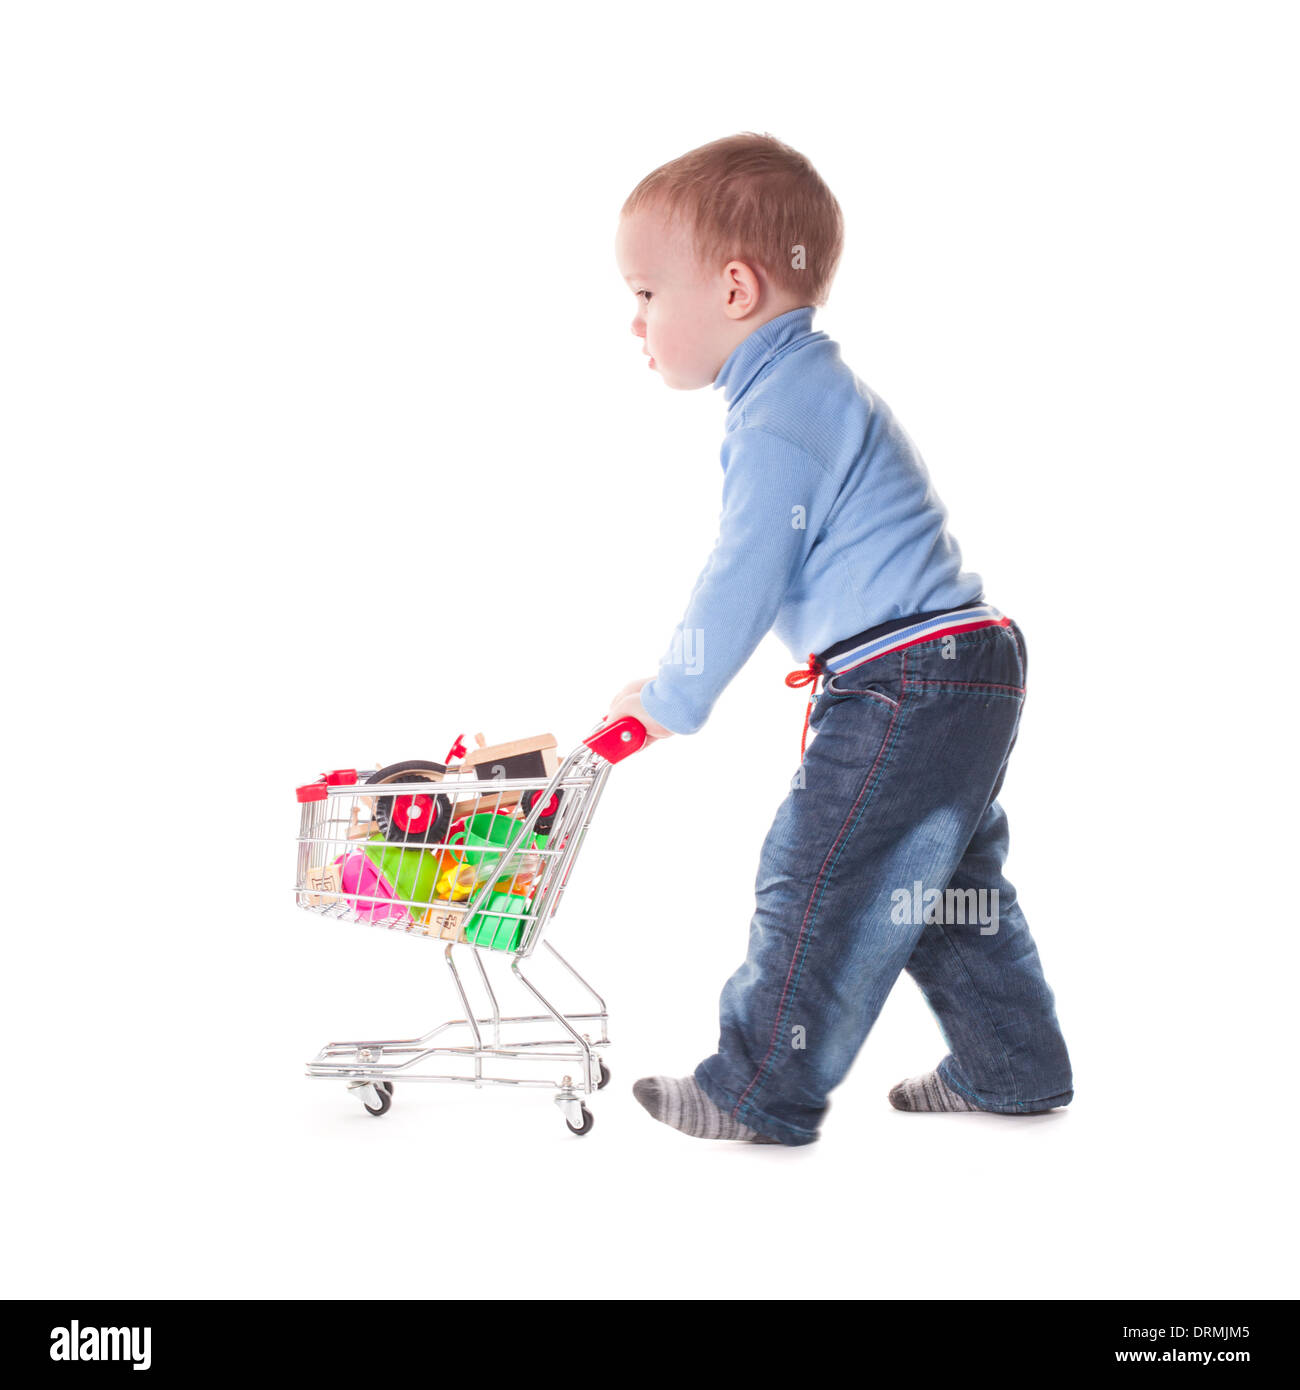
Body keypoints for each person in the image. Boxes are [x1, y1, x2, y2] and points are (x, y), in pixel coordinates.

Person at [608, 133, 1074, 1146]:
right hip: (958, 665)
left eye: (644, 293)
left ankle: (755, 1086)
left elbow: (745, 569)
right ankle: (1011, 1062)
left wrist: (672, 695)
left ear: (733, 288)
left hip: (910, 676)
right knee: (942, 883)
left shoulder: (781, 409)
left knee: (820, 871)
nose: (632, 320)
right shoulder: (804, 390)